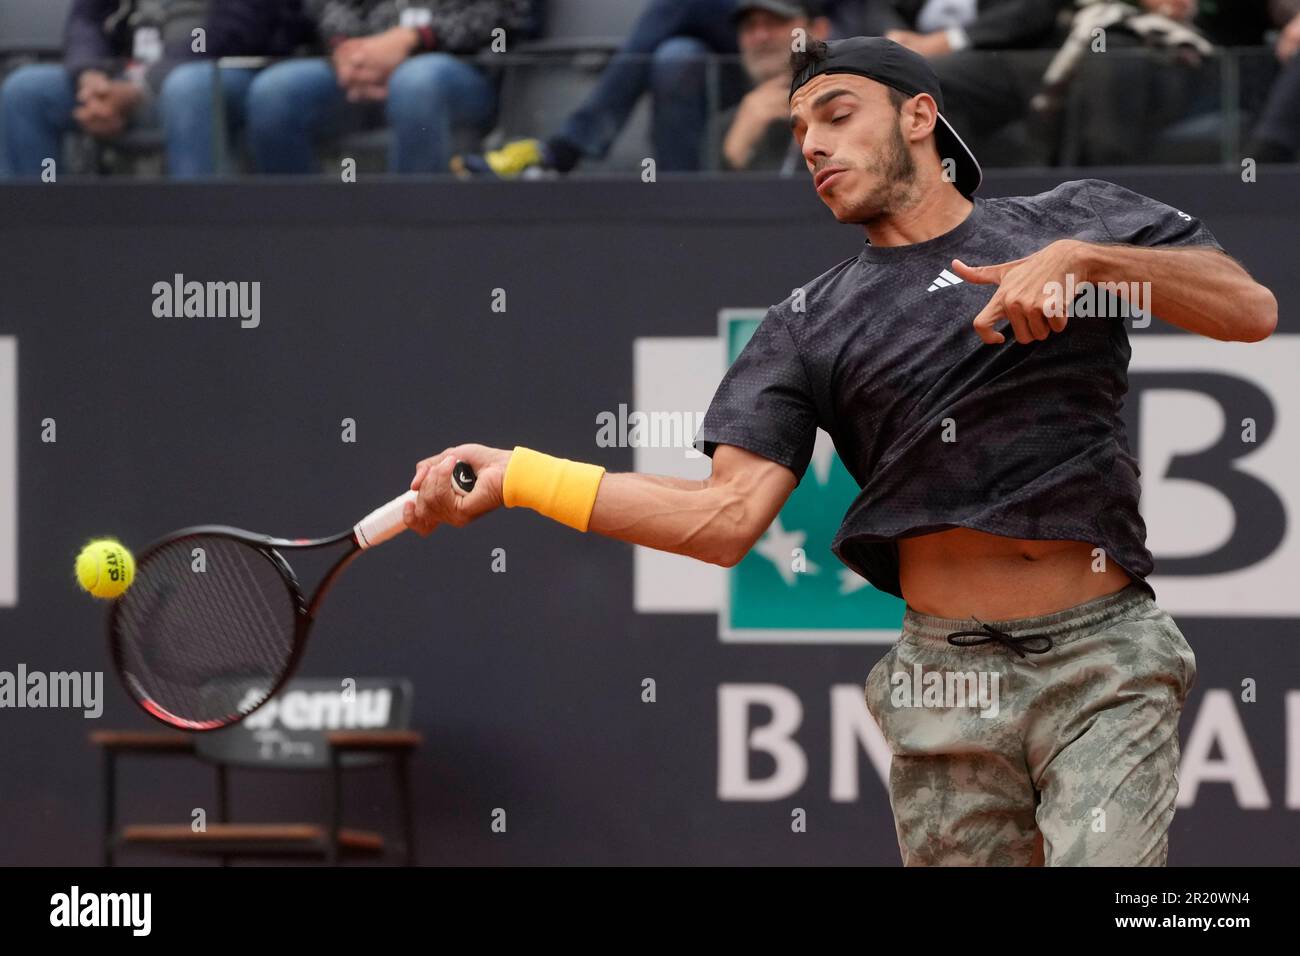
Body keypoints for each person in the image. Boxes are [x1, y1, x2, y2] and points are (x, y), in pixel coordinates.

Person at [399, 37, 1276, 866]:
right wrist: (522, 476)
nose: (813, 145)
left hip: (1104, 661)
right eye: (799, 131)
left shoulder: (1072, 221)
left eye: (838, 115)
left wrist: (1088, 263)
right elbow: (722, 520)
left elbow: (1248, 310)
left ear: (919, 116)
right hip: (942, 681)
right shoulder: (804, 325)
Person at [0, 0, 302, 178]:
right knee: (26, 91)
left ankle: (200, 249)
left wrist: (142, 85)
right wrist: (90, 75)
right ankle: (41, 245)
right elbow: (86, 20)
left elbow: (234, 30)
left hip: (223, 69)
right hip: (120, 75)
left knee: (187, 90)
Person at [245, 0, 535, 174]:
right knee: (275, 92)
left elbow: (504, 14)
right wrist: (351, 51)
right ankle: (309, 237)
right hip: (362, 61)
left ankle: (412, 234)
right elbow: (331, 7)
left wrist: (416, 38)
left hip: (463, 68)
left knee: (416, 82)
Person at [719, 1, 832, 173]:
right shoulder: (725, 126)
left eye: (776, 22)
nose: (761, 36)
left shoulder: (845, 109)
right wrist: (734, 156)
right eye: (749, 26)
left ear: (818, 30)